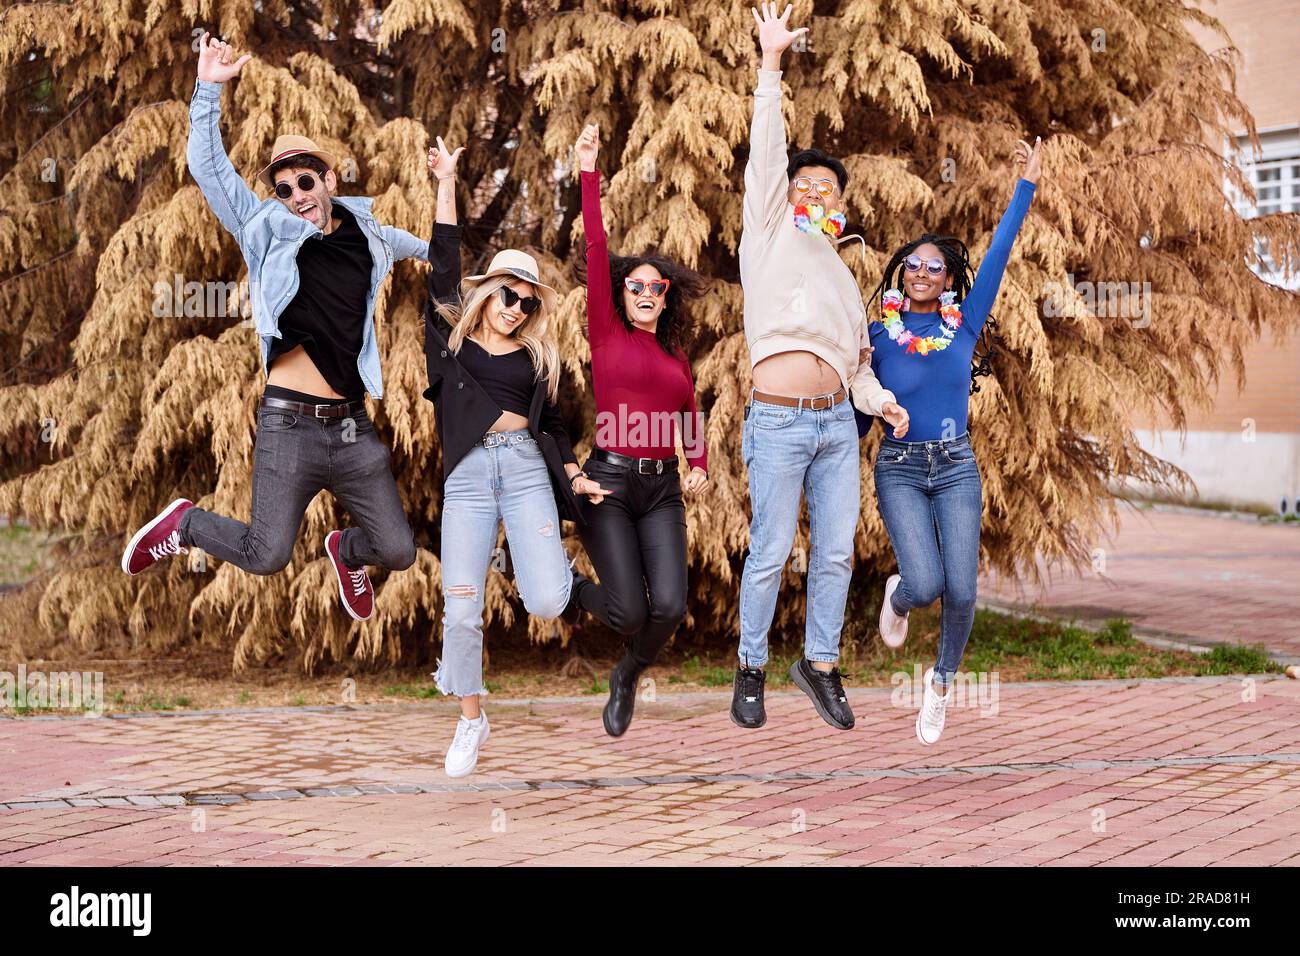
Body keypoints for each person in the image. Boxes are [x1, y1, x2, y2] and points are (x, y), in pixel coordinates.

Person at [121, 33, 423, 623]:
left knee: (398, 550)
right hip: (289, 423)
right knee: (266, 555)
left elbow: (432, 251)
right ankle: (187, 523)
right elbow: (206, 167)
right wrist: (209, 87)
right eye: (283, 188)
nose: (295, 196)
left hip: (353, 429)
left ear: (329, 181)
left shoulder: (371, 234)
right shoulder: (263, 226)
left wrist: (469, 266)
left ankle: (346, 551)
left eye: (305, 183)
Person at [733, 4, 910, 731]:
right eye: (804, 185)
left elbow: (855, 366)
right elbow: (768, 157)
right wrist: (771, 68)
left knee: (836, 552)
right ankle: (750, 668)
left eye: (826, 190)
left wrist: (884, 401)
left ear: (840, 204)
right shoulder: (767, 234)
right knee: (772, 551)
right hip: (776, 421)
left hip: (838, 425)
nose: (813, 193)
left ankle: (821, 663)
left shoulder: (844, 274)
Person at [423, 138, 609, 776]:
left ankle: (574, 587)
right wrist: (447, 180)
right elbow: (442, 262)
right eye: (510, 296)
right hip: (470, 479)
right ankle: (471, 717)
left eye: (529, 302)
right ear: (487, 293)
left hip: (527, 469)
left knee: (547, 601)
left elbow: (552, 426)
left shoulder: (536, 358)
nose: (518, 309)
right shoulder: (447, 342)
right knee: (462, 601)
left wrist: (577, 475)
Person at [870, 138, 1042, 745]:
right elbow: (857, 392)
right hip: (897, 466)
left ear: (949, 280)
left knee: (963, 590)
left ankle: (940, 684)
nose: (920, 272)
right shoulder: (876, 333)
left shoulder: (964, 324)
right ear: (900, 275)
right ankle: (898, 595)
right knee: (925, 584)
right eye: (911, 265)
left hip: (956, 465)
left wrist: (1025, 186)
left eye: (933, 267)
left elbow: (998, 253)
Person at [570, 123, 710, 737]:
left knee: (672, 607)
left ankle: (627, 674)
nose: (647, 292)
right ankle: (568, 588)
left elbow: (690, 411)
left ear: (666, 296)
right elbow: (597, 246)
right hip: (610, 481)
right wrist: (588, 172)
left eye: (657, 287)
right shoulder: (607, 332)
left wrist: (699, 459)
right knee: (627, 610)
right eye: (637, 286)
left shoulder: (676, 354)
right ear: (621, 294)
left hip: (662, 490)